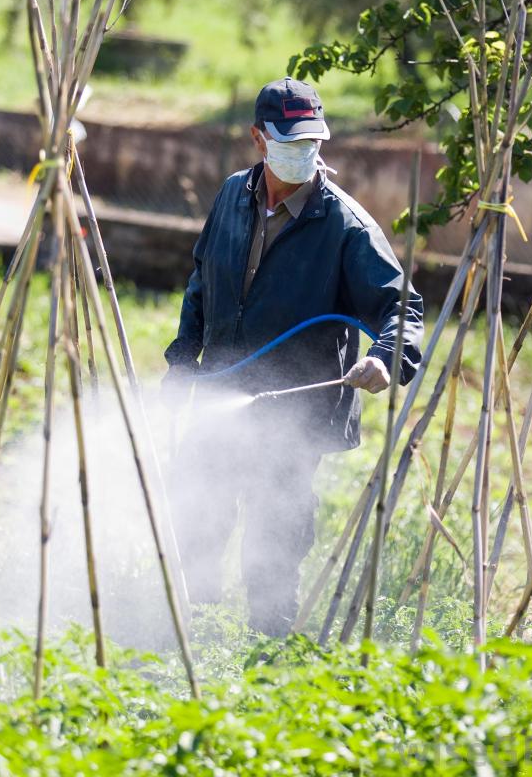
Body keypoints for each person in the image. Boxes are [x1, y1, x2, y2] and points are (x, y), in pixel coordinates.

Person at [164, 77, 424, 636]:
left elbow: (401, 308)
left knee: (274, 541)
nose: (305, 151)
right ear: (260, 138)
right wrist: (183, 361)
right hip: (221, 394)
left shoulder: (344, 226)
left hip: (293, 417)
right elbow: (201, 284)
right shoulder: (233, 195)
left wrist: (386, 358)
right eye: (290, 140)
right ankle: (190, 642)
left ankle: (269, 658)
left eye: (314, 141)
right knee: (198, 524)